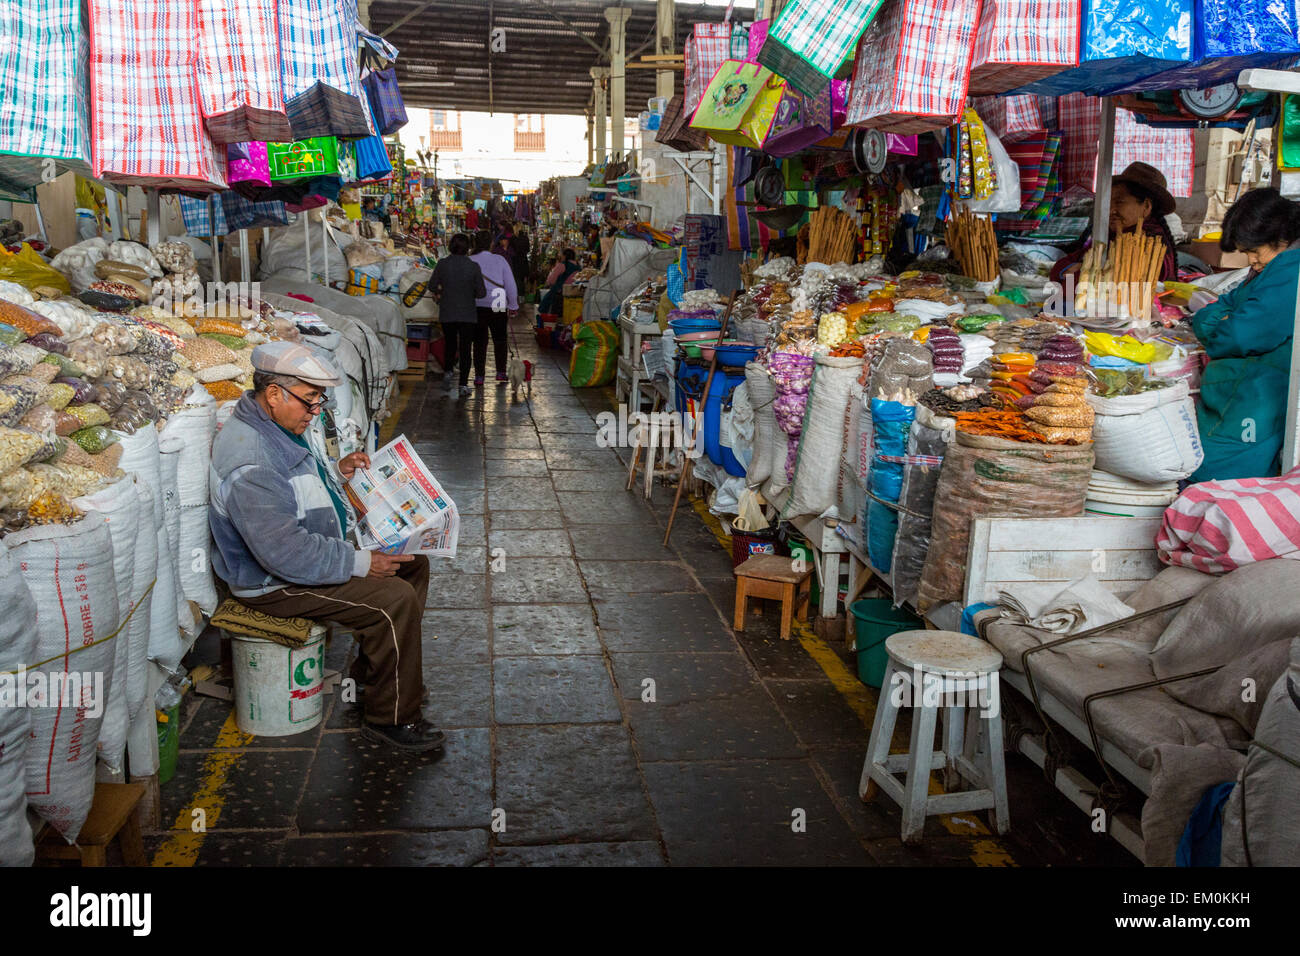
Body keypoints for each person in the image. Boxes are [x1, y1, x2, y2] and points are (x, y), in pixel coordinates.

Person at [209, 342, 443, 753]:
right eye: (310, 400)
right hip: (272, 583)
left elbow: (295, 490)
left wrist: (338, 471)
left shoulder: (277, 425)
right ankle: (391, 719)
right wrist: (360, 561)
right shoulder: (252, 459)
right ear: (274, 394)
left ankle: (378, 679)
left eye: (319, 400)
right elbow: (283, 553)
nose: (316, 410)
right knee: (393, 600)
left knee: (412, 563)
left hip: (301, 555)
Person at [1188, 188, 1300, 482]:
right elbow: (1213, 311)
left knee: (1220, 480)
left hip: (1253, 404)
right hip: (1234, 399)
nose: (1251, 260)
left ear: (1281, 239)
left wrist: (1221, 321)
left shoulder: (1290, 271)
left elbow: (1239, 335)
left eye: (1254, 250)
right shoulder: (1267, 271)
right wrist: (1221, 318)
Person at [1049, 162, 1179, 287]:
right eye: (1109, 202)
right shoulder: (1112, 235)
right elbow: (1060, 268)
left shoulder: (1149, 244)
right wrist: (1080, 271)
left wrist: (1081, 269)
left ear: (1146, 207)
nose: (1110, 210)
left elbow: (1099, 286)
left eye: (1119, 202)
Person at [431, 232, 486, 396]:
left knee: (450, 345)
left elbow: (432, 285)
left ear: (451, 246)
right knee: (465, 348)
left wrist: (441, 291)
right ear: (468, 248)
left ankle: (448, 372)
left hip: (447, 312)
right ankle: (463, 384)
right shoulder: (473, 267)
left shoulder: (442, 264)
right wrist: (471, 293)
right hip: (467, 314)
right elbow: (482, 293)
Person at [470, 229, 518, 385]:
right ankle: (500, 372)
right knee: (499, 339)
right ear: (491, 243)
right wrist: (513, 305)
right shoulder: (499, 260)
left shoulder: (470, 260)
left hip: (477, 302)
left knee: (479, 341)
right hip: (497, 300)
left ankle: (479, 376)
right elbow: (510, 284)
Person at [540, 248, 579, 316]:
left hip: (560, 294)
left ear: (564, 256)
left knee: (545, 303)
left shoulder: (562, 265)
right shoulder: (578, 266)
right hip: (574, 293)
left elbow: (551, 280)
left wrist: (547, 284)